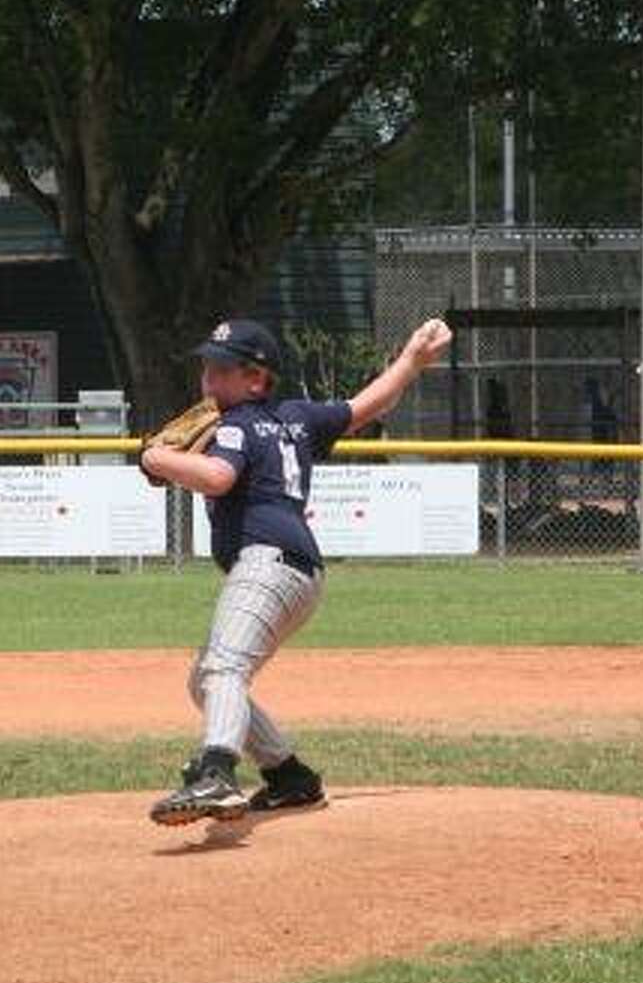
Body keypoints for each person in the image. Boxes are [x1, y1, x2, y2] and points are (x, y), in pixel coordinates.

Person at [141, 314, 453, 827]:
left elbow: (218, 478)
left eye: (223, 370)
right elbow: (365, 406)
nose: (209, 381)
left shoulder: (236, 426)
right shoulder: (296, 418)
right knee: (209, 681)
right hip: (299, 574)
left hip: (266, 561)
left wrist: (154, 458)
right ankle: (290, 777)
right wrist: (412, 361)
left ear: (257, 379)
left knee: (222, 669)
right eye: (207, 369)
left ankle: (217, 772)